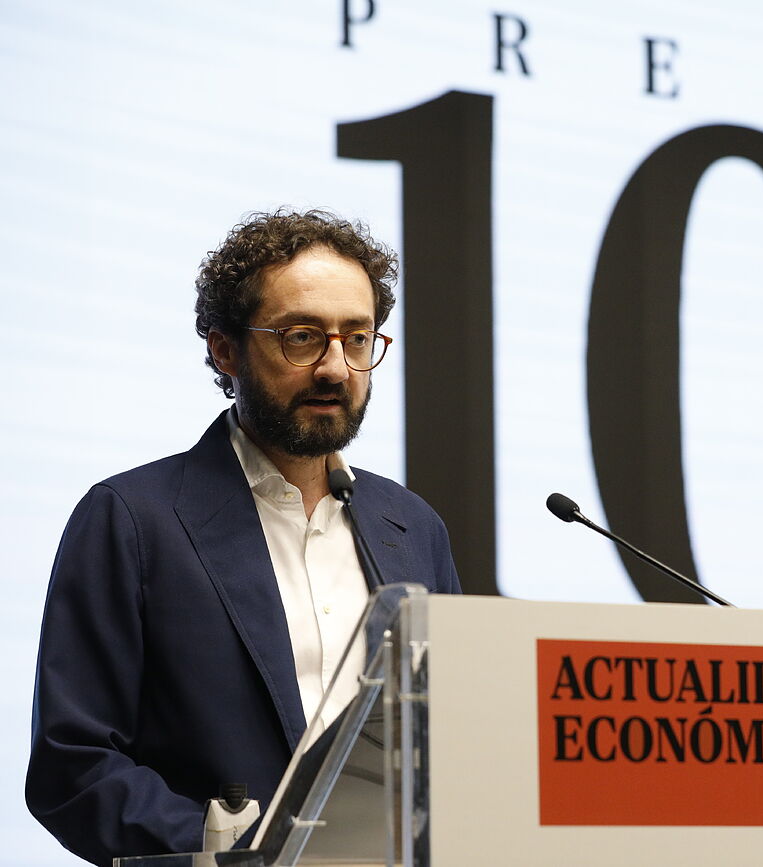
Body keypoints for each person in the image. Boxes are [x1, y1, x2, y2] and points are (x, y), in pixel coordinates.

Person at [26, 209, 461, 866]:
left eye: (356, 337)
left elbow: (450, 737)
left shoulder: (414, 528)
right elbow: (74, 765)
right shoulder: (132, 519)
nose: (336, 368)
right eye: (302, 337)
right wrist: (239, 852)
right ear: (224, 348)